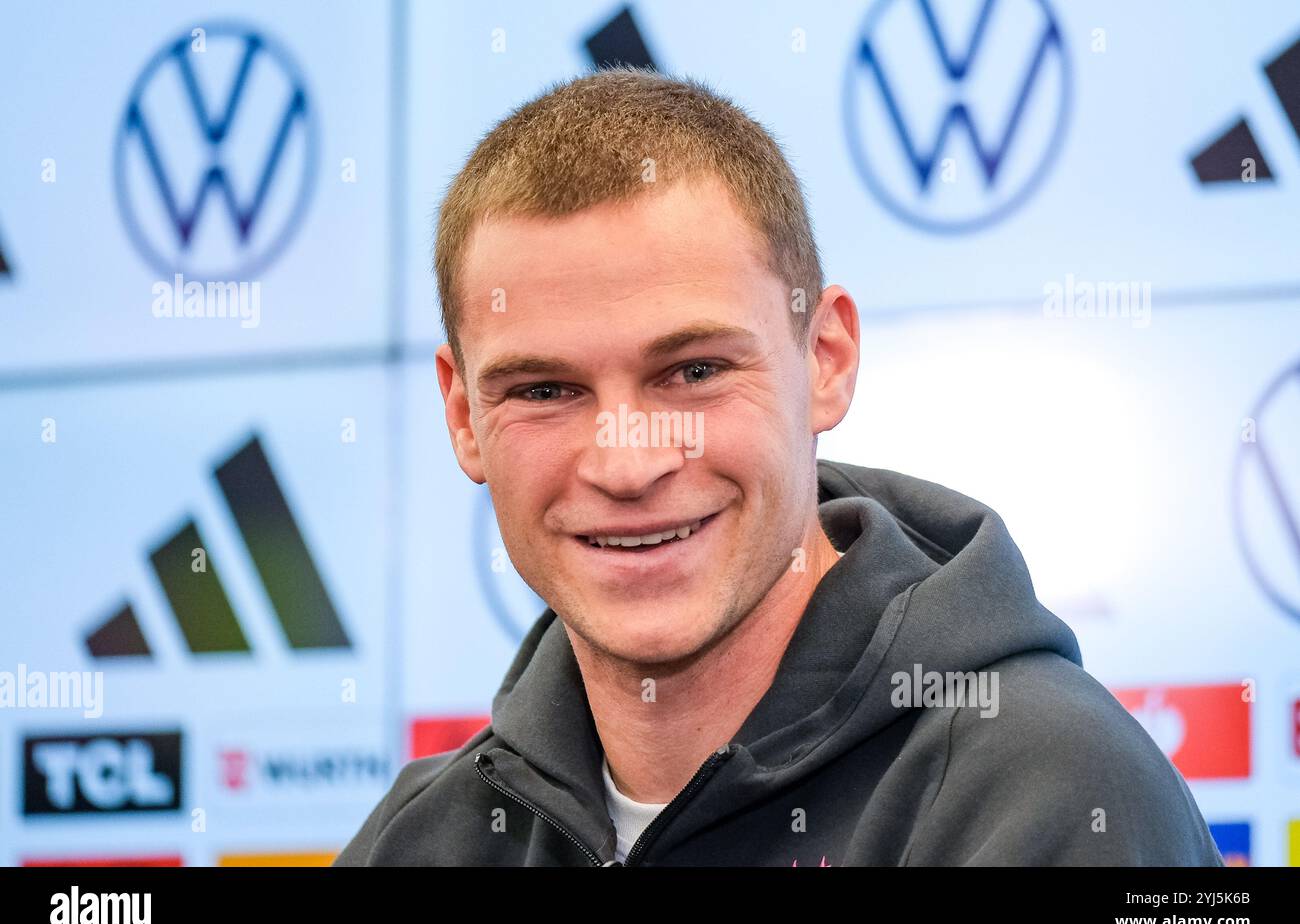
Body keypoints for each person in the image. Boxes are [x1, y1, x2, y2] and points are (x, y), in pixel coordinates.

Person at [335, 67, 1222, 866]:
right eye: (544, 389)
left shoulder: (1051, 789)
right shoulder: (416, 842)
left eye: (694, 372)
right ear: (463, 417)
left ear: (826, 359)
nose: (624, 463)